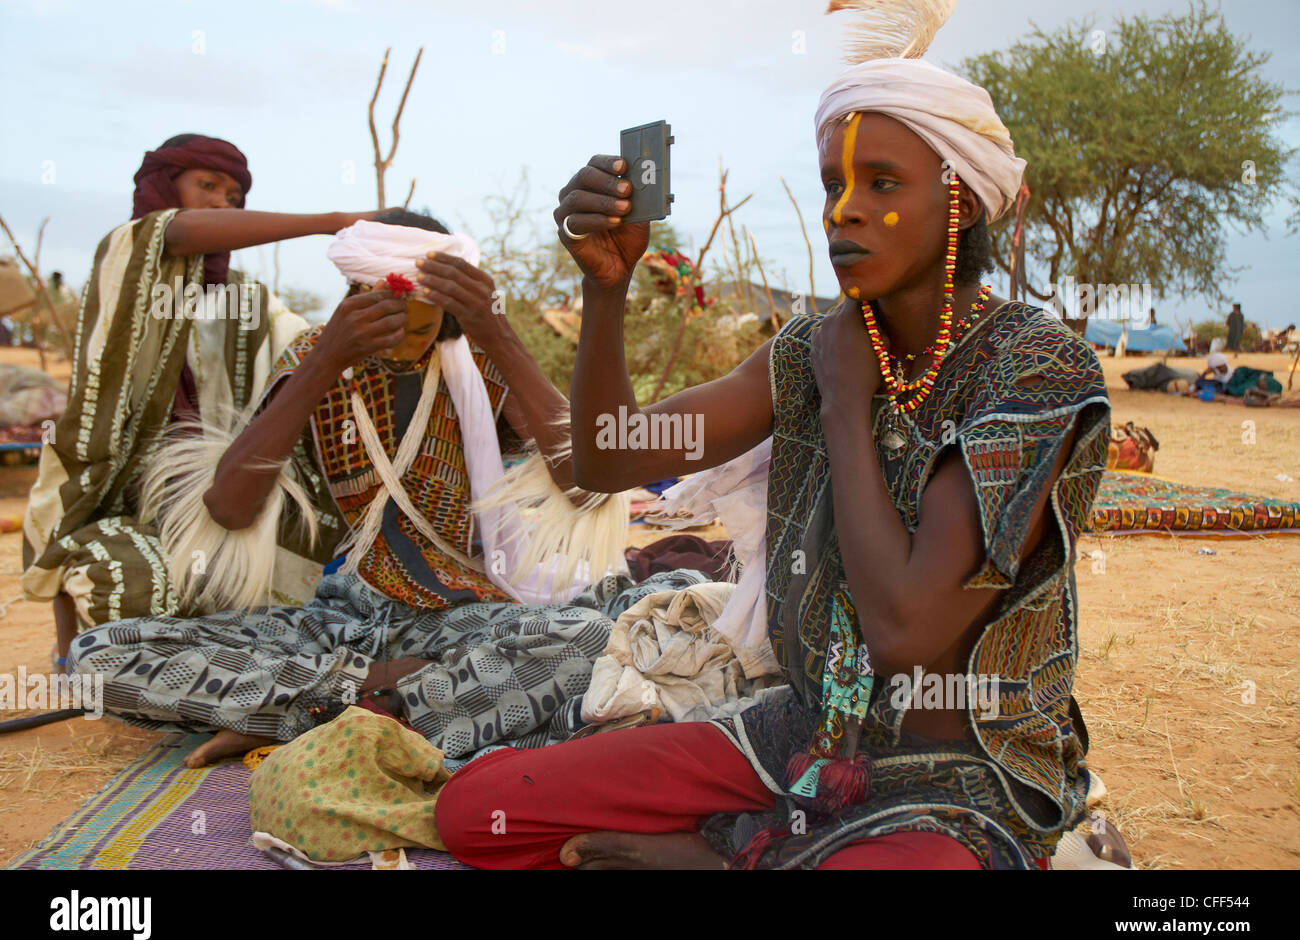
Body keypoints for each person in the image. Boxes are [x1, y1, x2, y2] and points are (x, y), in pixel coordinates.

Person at [433, 8, 1112, 870]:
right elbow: (605, 457)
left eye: (882, 185)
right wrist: (607, 288)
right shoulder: (808, 350)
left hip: (968, 771)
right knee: (479, 811)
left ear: (962, 199)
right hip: (808, 739)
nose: (845, 213)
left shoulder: (1036, 370)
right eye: (834, 186)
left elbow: (904, 632)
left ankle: (725, 855)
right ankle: (737, 845)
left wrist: (842, 402)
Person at [67, 209, 678, 768]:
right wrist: (328, 357)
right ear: (356, 290)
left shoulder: (481, 362)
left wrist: (496, 332)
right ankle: (400, 701)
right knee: (101, 656)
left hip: (470, 620)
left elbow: (587, 483)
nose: (405, 331)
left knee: (591, 637)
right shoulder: (316, 357)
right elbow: (229, 508)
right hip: (344, 625)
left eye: (423, 316)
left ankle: (326, 711)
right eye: (385, 305)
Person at [21, 133, 395, 670]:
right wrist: (336, 219)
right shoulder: (127, 249)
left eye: (234, 197)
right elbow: (181, 231)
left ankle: (222, 666)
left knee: (313, 551)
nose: (222, 202)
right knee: (132, 581)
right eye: (208, 185)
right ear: (162, 186)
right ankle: (77, 659)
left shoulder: (247, 296)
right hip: (116, 484)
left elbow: (305, 350)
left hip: (207, 490)